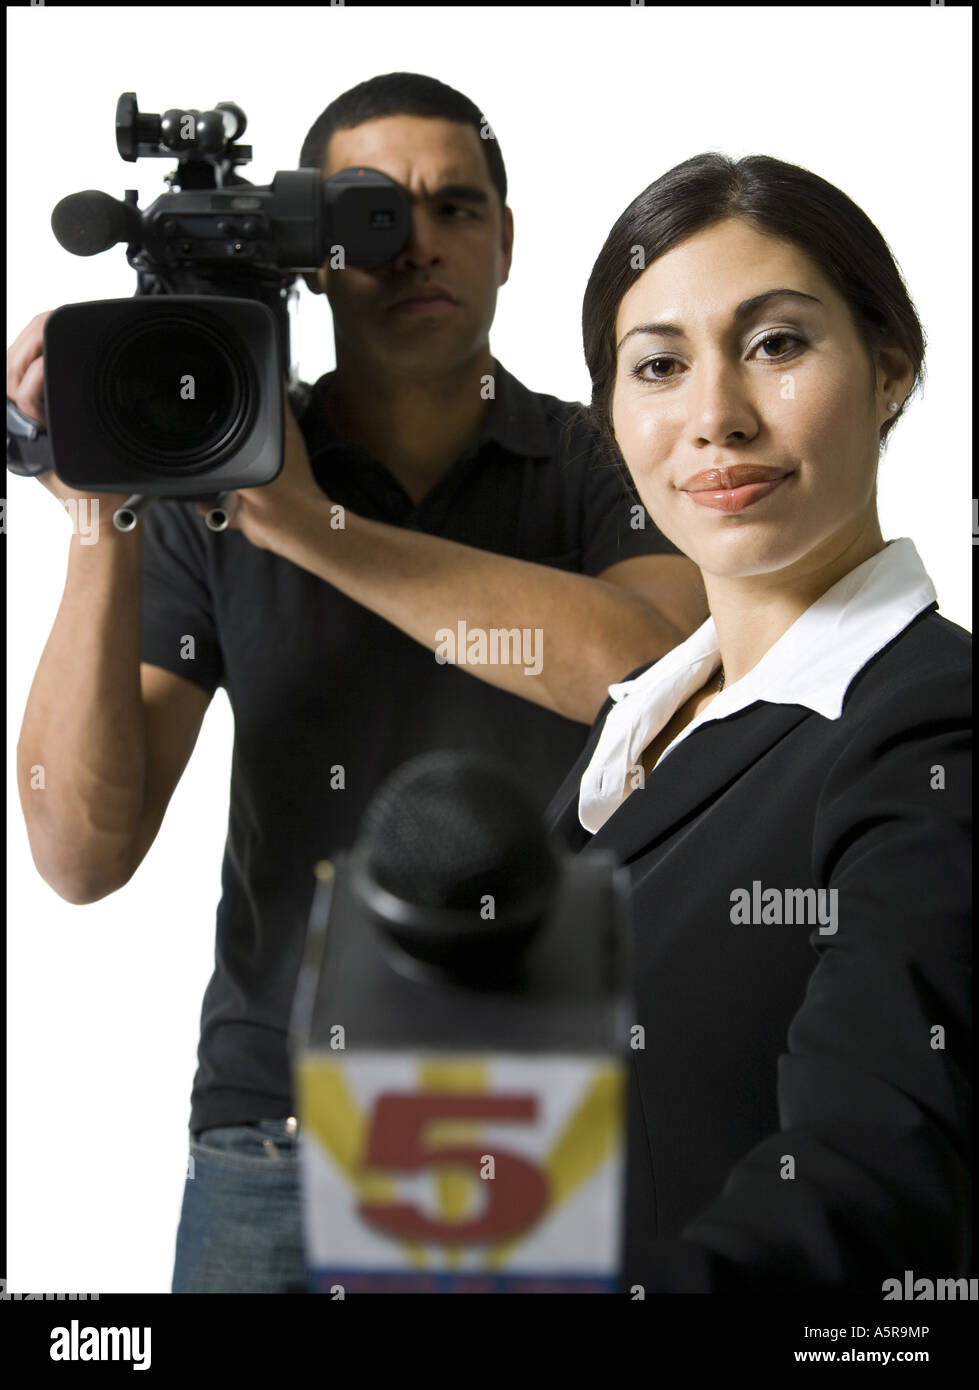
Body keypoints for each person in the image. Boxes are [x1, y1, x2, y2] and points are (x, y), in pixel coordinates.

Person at [9, 74, 707, 1294]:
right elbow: (79, 850)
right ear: (312, 257)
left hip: (537, 1101)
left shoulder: (602, 455)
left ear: (507, 241)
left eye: (456, 207)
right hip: (277, 1125)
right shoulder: (208, 499)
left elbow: (654, 674)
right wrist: (102, 509)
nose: (417, 244)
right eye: (372, 215)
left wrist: (305, 522)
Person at [545, 153, 972, 1292]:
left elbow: (871, 1179)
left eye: (776, 343)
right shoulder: (634, 726)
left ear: (891, 369)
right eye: (659, 366)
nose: (714, 418)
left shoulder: (933, 727)